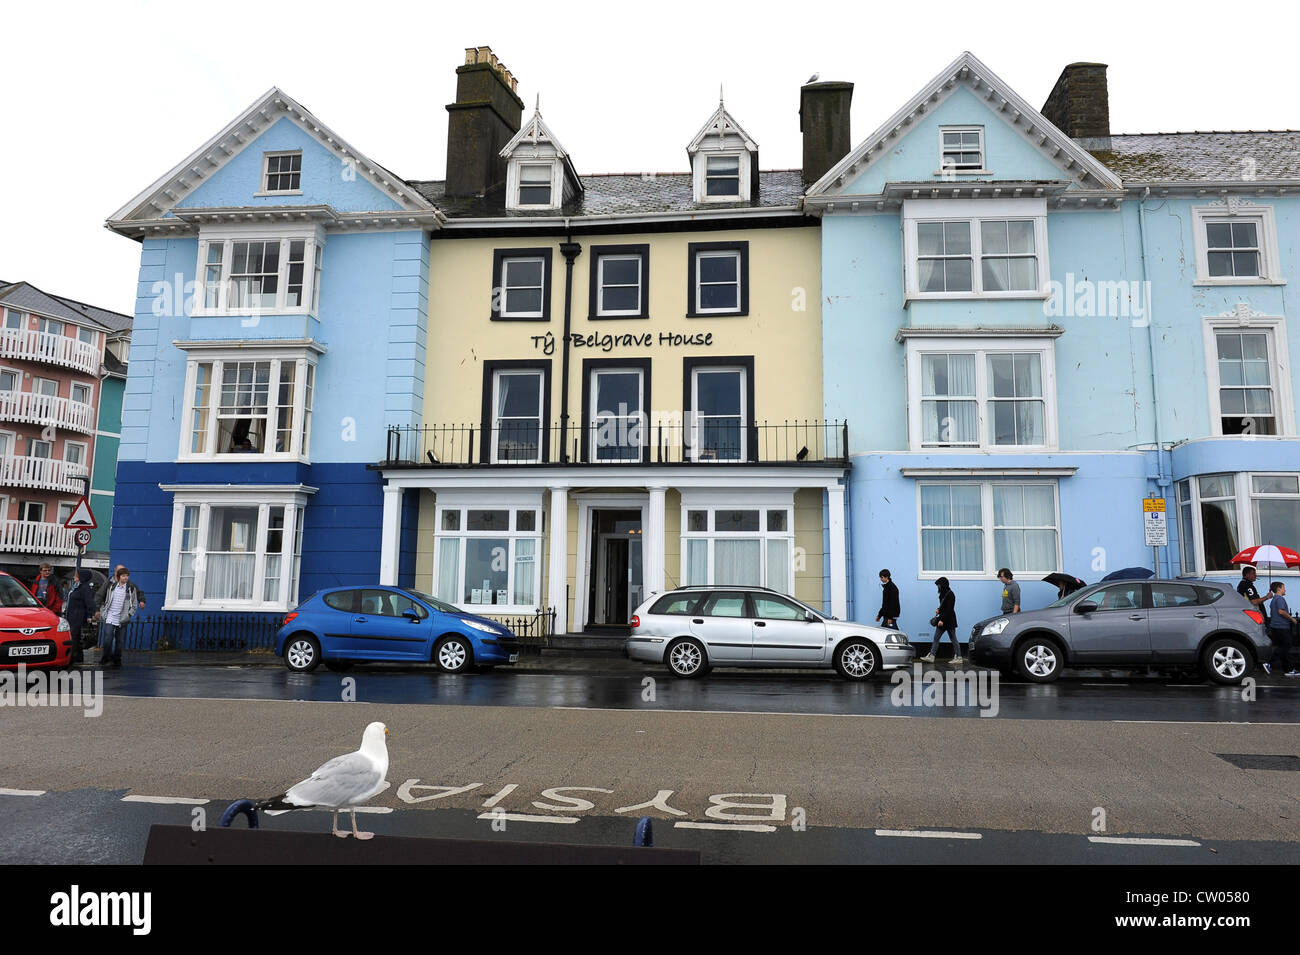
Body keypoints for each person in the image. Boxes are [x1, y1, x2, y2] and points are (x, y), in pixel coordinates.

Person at [94, 566, 146, 668]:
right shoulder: (110, 585)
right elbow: (101, 595)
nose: (125, 577)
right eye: (123, 575)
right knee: (108, 638)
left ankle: (117, 659)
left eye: (127, 575)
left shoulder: (130, 587)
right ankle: (105, 657)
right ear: (117, 574)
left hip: (122, 618)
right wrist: (99, 610)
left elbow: (136, 599)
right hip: (109, 616)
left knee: (120, 640)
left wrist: (129, 614)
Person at [920, 577, 960, 664]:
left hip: (949, 620)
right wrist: (939, 609)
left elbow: (949, 609)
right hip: (943, 619)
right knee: (936, 638)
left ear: (943, 585)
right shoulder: (943, 594)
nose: (938, 587)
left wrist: (942, 620)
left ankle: (959, 657)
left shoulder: (950, 594)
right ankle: (932, 656)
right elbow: (944, 607)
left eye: (939, 585)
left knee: (953, 638)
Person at [1264, 581, 1298, 677]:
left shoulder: (1274, 599)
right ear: (1279, 589)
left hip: (1275, 627)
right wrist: (1292, 619)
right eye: (1283, 587)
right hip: (1281, 627)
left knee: (1284, 648)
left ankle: (1288, 670)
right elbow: (1281, 611)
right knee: (1286, 646)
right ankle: (1269, 663)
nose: (1285, 589)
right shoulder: (1280, 599)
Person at [63, 569, 96, 666]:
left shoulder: (85, 588)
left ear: (82, 577)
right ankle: (78, 657)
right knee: (75, 637)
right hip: (72, 615)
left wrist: (90, 614)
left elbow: (89, 602)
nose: (74, 577)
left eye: (76, 576)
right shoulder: (76, 587)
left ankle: (73, 657)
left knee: (74, 637)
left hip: (78, 616)